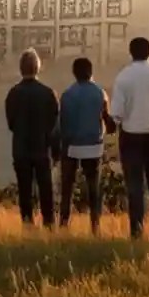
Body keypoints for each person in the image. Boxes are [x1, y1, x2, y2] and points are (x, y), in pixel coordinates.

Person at [110, 37, 149, 238]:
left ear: (131, 52)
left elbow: (117, 114)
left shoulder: (123, 78)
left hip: (131, 136)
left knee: (135, 187)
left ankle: (136, 231)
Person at [58, 57, 114, 234]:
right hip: (93, 146)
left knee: (67, 187)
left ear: (74, 73)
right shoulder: (100, 93)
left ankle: (64, 223)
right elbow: (108, 120)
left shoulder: (67, 95)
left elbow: (63, 123)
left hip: (72, 145)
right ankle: (95, 225)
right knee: (93, 187)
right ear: (91, 72)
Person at [5, 49, 60, 228]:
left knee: (25, 190)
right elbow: (54, 124)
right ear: (38, 67)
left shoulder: (13, 93)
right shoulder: (48, 93)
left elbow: (11, 123)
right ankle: (49, 223)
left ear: (21, 68)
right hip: (42, 147)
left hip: (21, 148)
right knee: (46, 189)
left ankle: (27, 223)